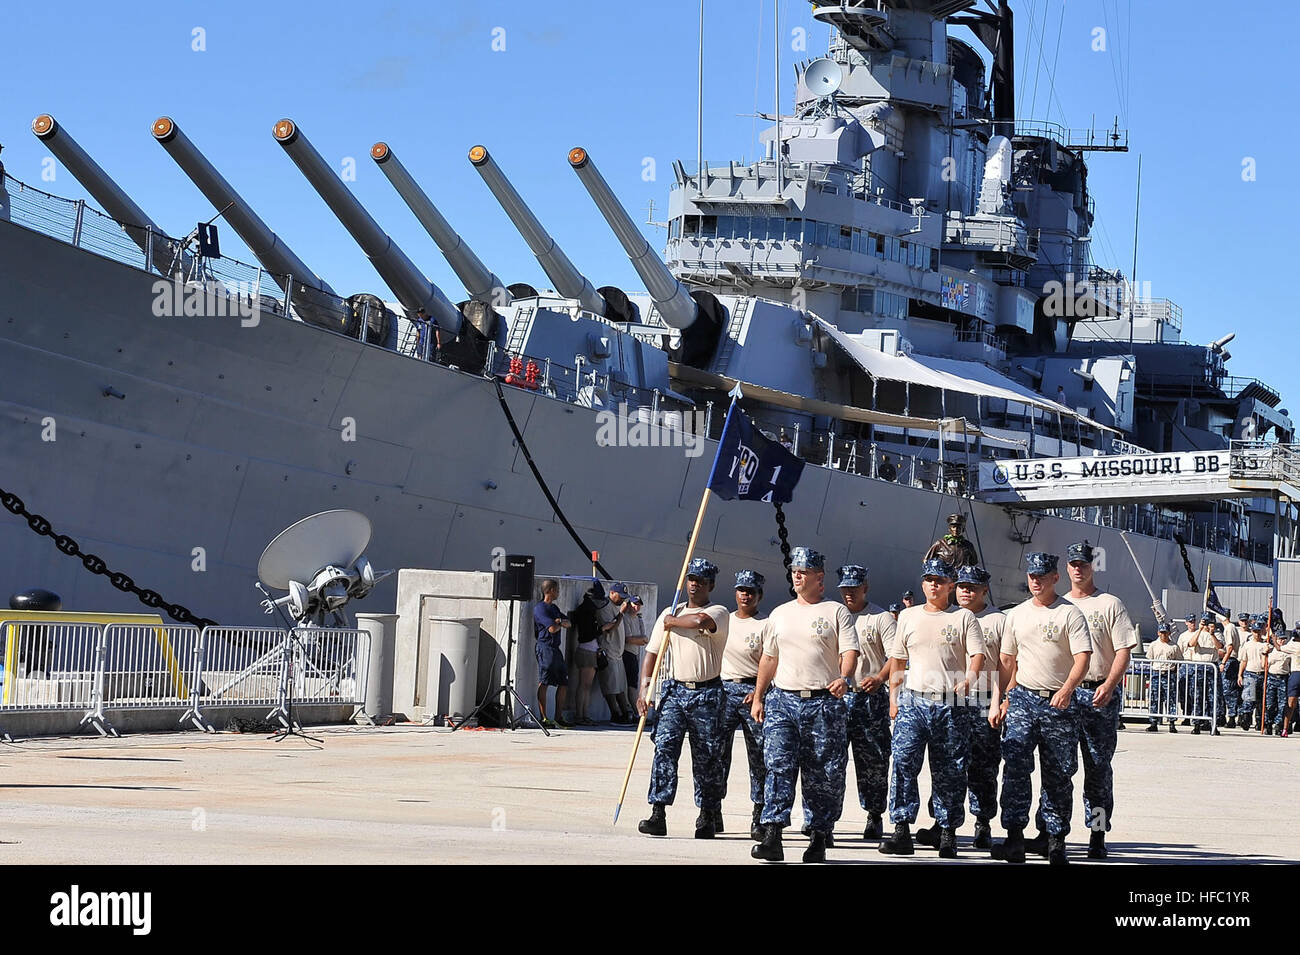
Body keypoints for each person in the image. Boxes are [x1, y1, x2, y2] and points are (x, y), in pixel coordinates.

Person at [750, 547, 858, 864]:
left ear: (819, 577)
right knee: (778, 766)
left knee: (822, 773)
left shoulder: (835, 612)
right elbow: (769, 658)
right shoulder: (780, 614)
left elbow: (850, 652)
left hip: (823, 702)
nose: (797, 575)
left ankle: (819, 836)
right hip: (783, 700)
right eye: (795, 570)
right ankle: (772, 835)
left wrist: (844, 676)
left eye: (804, 571)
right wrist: (759, 696)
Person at [989, 552, 1091, 865]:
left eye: (1042, 576)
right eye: (1032, 576)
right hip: (1023, 699)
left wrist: (1066, 690)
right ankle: (1015, 838)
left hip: (1057, 702)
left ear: (1055, 578)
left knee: (1059, 773)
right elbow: (1006, 661)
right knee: (1016, 768)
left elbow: (1083, 658)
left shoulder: (1069, 614)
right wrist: (999, 699)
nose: (1036, 581)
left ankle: (1056, 841)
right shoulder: (1017, 614)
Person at [878, 558, 983, 859]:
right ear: (923, 584)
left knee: (950, 768)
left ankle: (947, 832)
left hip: (951, 704)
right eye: (928, 579)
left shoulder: (963, 618)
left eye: (940, 580)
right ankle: (901, 830)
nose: (933, 585)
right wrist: (894, 699)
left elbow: (976, 655)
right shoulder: (908, 617)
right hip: (913, 701)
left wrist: (969, 680)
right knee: (903, 764)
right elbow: (898, 660)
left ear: (951, 585)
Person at [1052, 540, 1138, 860]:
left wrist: (1111, 685)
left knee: (1098, 769)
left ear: (1092, 566)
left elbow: (1123, 650)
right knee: (1059, 768)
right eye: (1073, 564)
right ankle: (1056, 833)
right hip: (1065, 695)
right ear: (1066, 569)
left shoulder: (1109, 604)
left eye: (1083, 564)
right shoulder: (1058, 606)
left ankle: (1097, 832)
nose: (1078, 569)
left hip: (1099, 693)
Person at [636, 558, 730, 838]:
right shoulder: (671, 610)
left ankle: (707, 816)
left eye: (700, 580)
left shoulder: (718, 611)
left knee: (708, 757)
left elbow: (700, 621)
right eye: (691, 579)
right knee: (664, 749)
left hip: (707, 692)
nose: (694, 584)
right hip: (675, 691)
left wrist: (671, 622)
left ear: (710, 585)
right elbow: (652, 652)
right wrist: (645, 688)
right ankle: (658, 812)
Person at [836, 563, 896, 841]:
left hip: (869, 698)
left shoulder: (881, 618)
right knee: (829, 760)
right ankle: (823, 817)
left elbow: (897, 656)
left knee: (872, 760)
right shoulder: (834, 615)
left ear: (865, 588)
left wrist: (881, 678)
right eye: (845, 588)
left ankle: (874, 815)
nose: (849, 593)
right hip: (836, 698)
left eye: (854, 588)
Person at [947, 564, 1004, 850]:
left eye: (971, 587)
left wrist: (1001, 700)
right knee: (948, 765)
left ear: (984, 590)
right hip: (951, 702)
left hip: (983, 700)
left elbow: (1007, 666)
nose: (965, 591)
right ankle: (944, 823)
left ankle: (982, 822)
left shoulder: (998, 621)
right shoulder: (947, 616)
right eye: (961, 586)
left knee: (983, 765)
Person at [719, 570, 768, 841]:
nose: (745, 595)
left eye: (750, 591)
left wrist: (760, 691)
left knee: (759, 757)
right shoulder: (723, 619)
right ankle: (711, 810)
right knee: (716, 754)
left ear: (759, 595)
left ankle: (758, 814)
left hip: (753, 692)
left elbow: (773, 661)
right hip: (725, 690)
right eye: (741, 590)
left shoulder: (765, 624)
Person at [532, 579, 572, 729]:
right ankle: (544, 718)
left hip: (556, 649)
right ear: (549, 591)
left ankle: (558, 717)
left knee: (563, 682)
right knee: (545, 681)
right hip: (545, 648)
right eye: (556, 589)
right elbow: (552, 629)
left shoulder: (554, 608)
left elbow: (568, 623)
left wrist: (560, 621)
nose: (558, 592)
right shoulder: (540, 608)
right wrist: (559, 623)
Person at [596, 584, 635, 724]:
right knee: (610, 686)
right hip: (609, 650)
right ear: (612, 593)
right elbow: (610, 628)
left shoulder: (617, 607)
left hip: (618, 652)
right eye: (620, 596)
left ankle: (626, 712)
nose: (621, 600)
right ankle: (615, 713)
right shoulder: (605, 607)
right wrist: (621, 614)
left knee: (619, 686)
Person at [569, 581, 606, 726]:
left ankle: (584, 714)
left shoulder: (588, 611)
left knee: (587, 686)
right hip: (586, 650)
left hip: (590, 650)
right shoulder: (585, 613)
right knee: (583, 685)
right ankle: (580, 715)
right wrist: (602, 629)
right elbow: (587, 634)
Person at [1182, 612, 1224, 735]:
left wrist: (1211, 633)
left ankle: (1213, 724)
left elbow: (1219, 646)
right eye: (1204, 622)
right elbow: (1191, 644)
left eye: (1209, 623)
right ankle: (1196, 724)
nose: (1206, 625)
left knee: (1213, 697)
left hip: (1212, 667)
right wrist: (1200, 629)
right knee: (1197, 696)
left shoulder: (1217, 634)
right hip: (1198, 667)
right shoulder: (1197, 633)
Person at [1146, 621, 1182, 732]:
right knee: (1154, 699)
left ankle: (1171, 722)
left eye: (1165, 633)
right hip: (1157, 673)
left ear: (1169, 633)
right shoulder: (1153, 645)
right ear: (1158, 633)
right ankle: (1153, 722)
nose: (1163, 635)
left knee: (1171, 699)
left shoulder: (1174, 646)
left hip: (1169, 674)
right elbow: (1149, 659)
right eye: (1161, 633)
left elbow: (1179, 660)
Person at [1237, 617, 1270, 731]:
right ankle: (1246, 719)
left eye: (1258, 631)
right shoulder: (1247, 645)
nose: (1257, 634)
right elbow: (1243, 661)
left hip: (1261, 673)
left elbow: (1266, 662)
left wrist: (1266, 652)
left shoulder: (1265, 645)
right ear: (1252, 632)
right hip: (1250, 673)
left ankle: (1260, 721)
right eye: (1255, 632)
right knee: (1248, 698)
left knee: (1261, 700)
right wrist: (1240, 675)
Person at [1264, 626, 1291, 735]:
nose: (1282, 641)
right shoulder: (1271, 651)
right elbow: (1264, 666)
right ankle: (1268, 723)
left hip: (1283, 678)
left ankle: (1278, 724)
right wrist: (1264, 654)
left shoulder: (1288, 652)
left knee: (1282, 704)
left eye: (1284, 639)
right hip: (1272, 677)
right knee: (1270, 704)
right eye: (1280, 639)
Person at [622, 595, 648, 705]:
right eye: (634, 604)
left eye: (639, 605)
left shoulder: (639, 619)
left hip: (635, 654)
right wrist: (639, 640)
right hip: (627, 653)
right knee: (630, 684)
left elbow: (645, 639)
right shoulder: (625, 618)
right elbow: (628, 639)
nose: (637, 607)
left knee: (633, 683)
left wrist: (637, 640)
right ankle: (634, 709)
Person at [1281, 628, 1300, 738]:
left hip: (1296, 674)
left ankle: (1285, 729)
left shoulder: (1294, 646)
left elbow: (1279, 648)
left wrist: (1273, 637)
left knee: (1290, 704)